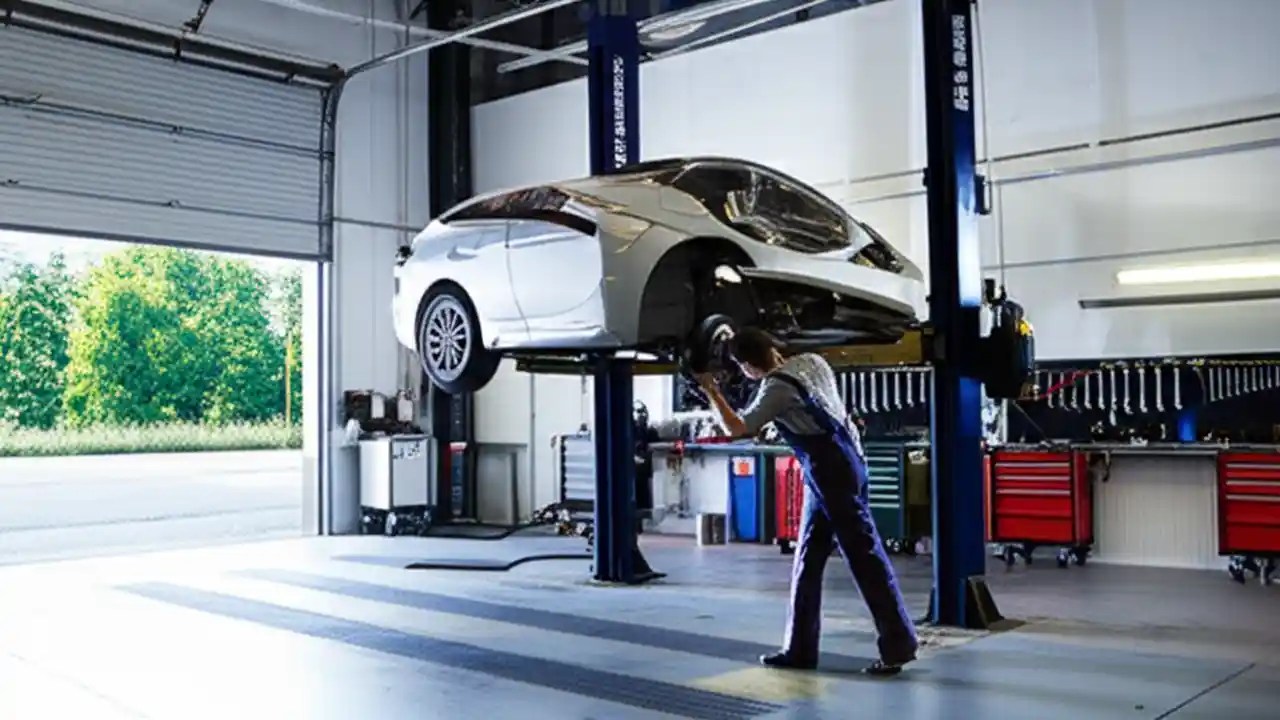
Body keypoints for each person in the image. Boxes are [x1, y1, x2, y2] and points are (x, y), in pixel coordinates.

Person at [695, 326, 918, 675]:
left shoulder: (776, 387)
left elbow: (738, 429)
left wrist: (711, 391)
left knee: (864, 557)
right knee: (808, 559)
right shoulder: (813, 362)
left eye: (743, 368)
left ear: (748, 365)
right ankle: (799, 649)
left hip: (830, 472)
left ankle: (899, 644)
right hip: (850, 461)